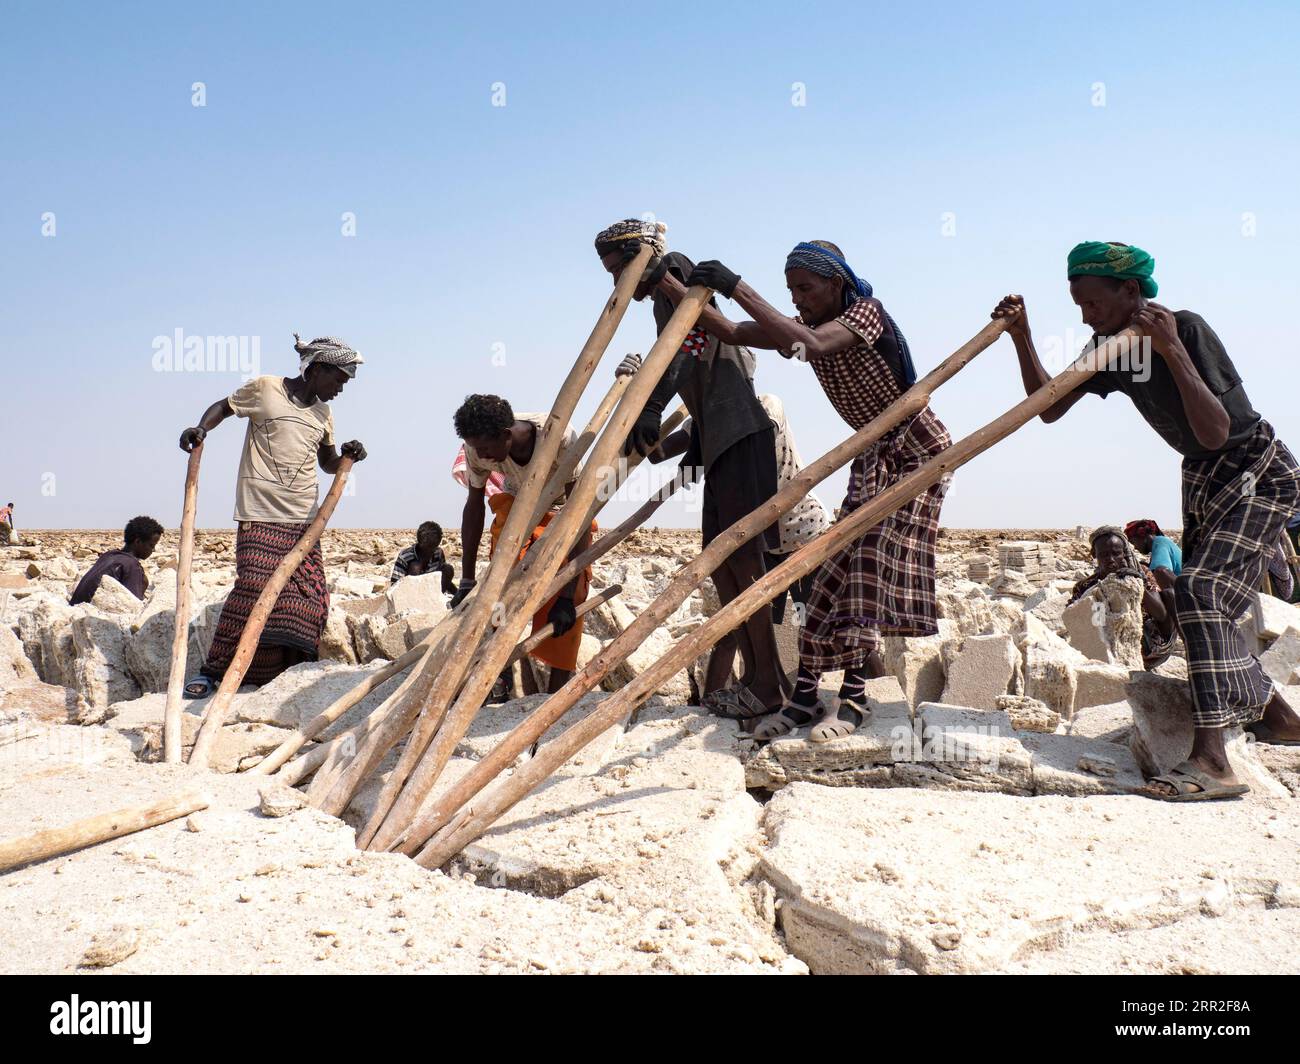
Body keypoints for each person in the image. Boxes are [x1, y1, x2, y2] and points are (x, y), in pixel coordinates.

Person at [992, 241, 1300, 799]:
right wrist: (1022, 336)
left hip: (1254, 469)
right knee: (1192, 600)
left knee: (1203, 593)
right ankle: (1279, 716)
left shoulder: (1187, 328)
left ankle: (1212, 762)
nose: (1086, 315)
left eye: (1093, 303)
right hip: (1204, 479)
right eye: (1078, 305)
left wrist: (1171, 349)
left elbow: (1214, 432)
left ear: (1130, 291)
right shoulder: (1112, 349)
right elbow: (1049, 406)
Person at [660, 241, 948, 744]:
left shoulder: (866, 314)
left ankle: (855, 700)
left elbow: (812, 346)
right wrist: (667, 285)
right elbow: (726, 329)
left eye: (806, 288)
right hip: (873, 457)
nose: (797, 299)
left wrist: (736, 286)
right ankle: (806, 697)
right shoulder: (803, 331)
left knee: (866, 575)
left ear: (836, 282)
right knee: (829, 583)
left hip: (916, 453)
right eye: (790, 290)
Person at [595, 218, 787, 719]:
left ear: (641, 256)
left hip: (742, 436)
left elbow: (688, 342)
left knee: (741, 561)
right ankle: (759, 678)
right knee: (721, 566)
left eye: (619, 269)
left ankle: (769, 683)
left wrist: (654, 404)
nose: (618, 283)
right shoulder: (662, 295)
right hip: (721, 441)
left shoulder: (671, 271)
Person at [178, 335, 367, 697]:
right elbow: (224, 406)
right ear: (318, 369)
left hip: (303, 519)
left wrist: (345, 455)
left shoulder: (323, 414)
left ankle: (280, 676)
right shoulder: (266, 389)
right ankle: (214, 670)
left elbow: (325, 462)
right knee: (252, 586)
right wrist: (202, 428)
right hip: (260, 510)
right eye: (339, 380)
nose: (341, 389)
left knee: (307, 597)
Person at [637, 388, 831, 700]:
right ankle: (716, 699)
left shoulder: (767, 407)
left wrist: (700, 450)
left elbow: (748, 455)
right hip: (758, 542)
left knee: (822, 619)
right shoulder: (708, 420)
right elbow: (656, 451)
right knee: (735, 625)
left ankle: (867, 692)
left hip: (800, 531)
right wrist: (641, 404)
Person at [452, 394, 594, 695]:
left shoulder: (557, 438)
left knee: (564, 607)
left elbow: (579, 511)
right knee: (500, 598)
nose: (481, 456)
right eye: (476, 449)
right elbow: (474, 507)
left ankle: (553, 696)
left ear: (505, 435)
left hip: (560, 514)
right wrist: (467, 580)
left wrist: (568, 596)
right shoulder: (477, 449)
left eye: (486, 449)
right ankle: (499, 683)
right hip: (516, 513)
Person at [1068, 526, 1177, 670]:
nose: (1111, 560)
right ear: (1095, 555)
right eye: (1104, 555)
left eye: (1116, 554)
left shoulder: (1141, 574)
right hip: (1104, 644)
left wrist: (1136, 584)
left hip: (1149, 643)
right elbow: (1081, 621)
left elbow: (1162, 615)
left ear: (1124, 553)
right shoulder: (1085, 586)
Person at [69, 516, 164, 605]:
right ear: (138, 542)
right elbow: (133, 606)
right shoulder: (131, 565)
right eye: (151, 545)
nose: (153, 550)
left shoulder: (109, 555)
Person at [391, 521, 455, 593]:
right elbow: (394, 585)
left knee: (448, 569)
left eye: (435, 546)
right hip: (410, 595)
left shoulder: (438, 553)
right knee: (415, 567)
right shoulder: (405, 556)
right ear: (420, 542)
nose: (431, 551)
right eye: (428, 547)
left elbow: (442, 578)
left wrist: (457, 594)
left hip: (433, 593)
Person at [1124, 519, 1182, 587]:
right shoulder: (1161, 541)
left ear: (1143, 536)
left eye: (1133, 542)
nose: (1135, 547)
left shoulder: (1159, 544)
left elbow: (1161, 571)